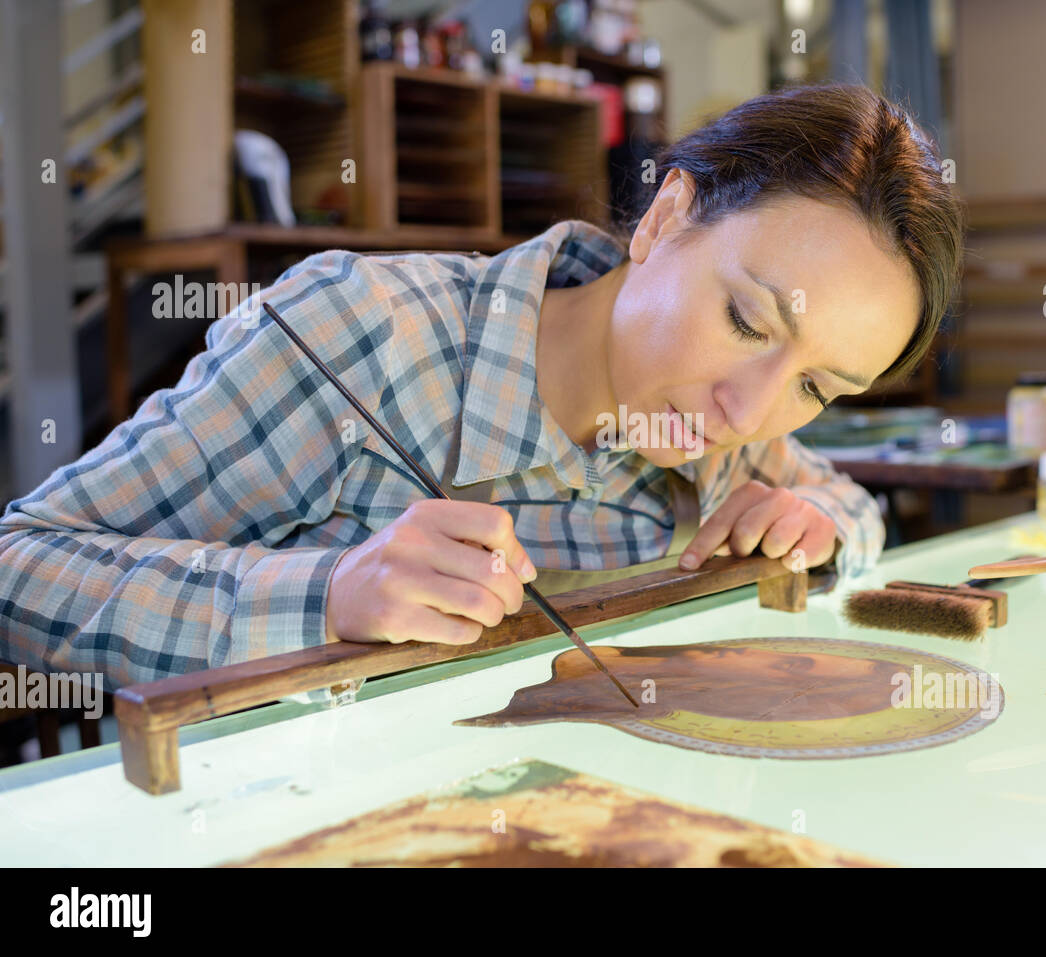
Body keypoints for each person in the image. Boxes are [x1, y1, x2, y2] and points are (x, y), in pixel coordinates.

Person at [0, 84, 964, 691]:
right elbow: (21, 565)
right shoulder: (359, 332)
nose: (748, 413)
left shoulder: (733, 415)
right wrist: (325, 594)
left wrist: (820, 523)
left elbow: (842, 502)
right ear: (666, 218)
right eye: (749, 322)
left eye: (820, 388)